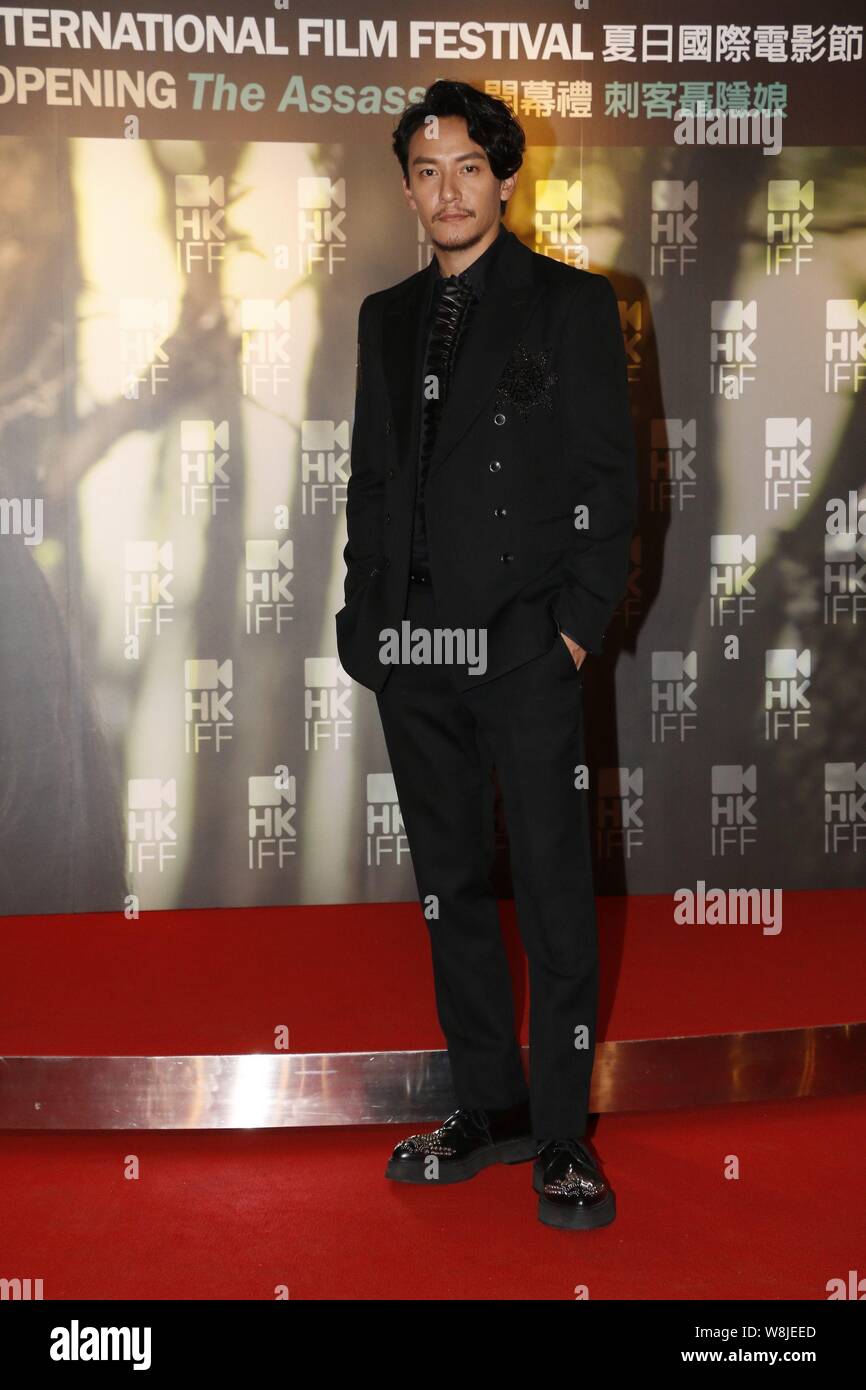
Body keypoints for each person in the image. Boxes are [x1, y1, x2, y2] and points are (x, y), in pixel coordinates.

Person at [336, 80, 637, 1230]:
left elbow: (607, 491)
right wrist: (364, 628)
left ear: (505, 179)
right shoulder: (383, 317)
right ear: (407, 187)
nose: (446, 188)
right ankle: (486, 1107)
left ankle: (562, 1135)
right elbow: (372, 483)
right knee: (447, 893)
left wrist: (566, 631)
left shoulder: (567, 305)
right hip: (410, 650)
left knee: (556, 897)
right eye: (426, 169)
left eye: (468, 166)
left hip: (520, 647)